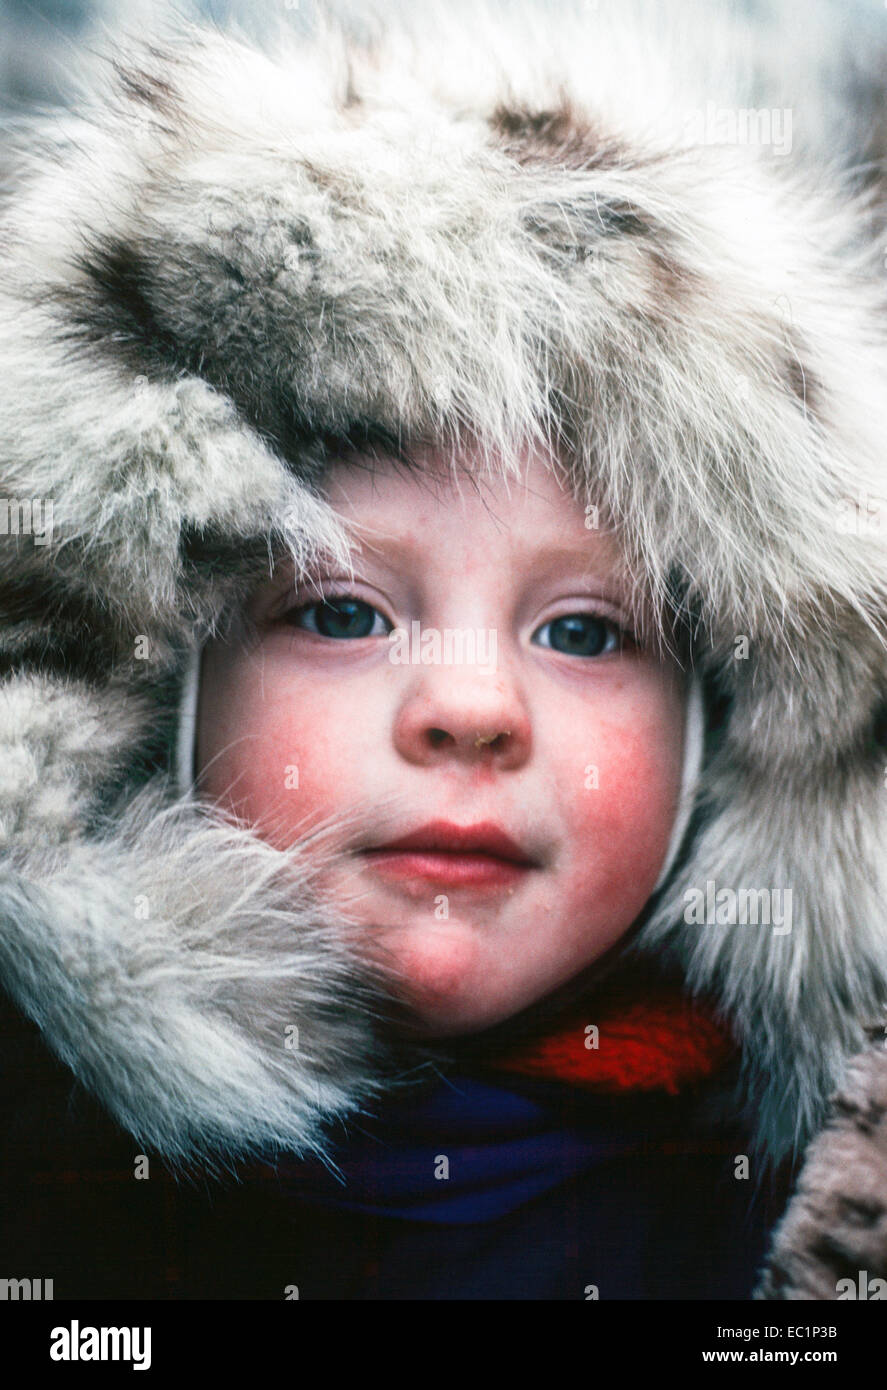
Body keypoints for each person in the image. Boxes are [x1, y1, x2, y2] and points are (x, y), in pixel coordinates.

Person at [1, 0, 886, 1301]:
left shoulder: (775, 1234)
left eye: (583, 631)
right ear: (144, 688)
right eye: (344, 610)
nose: (473, 708)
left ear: (735, 731)